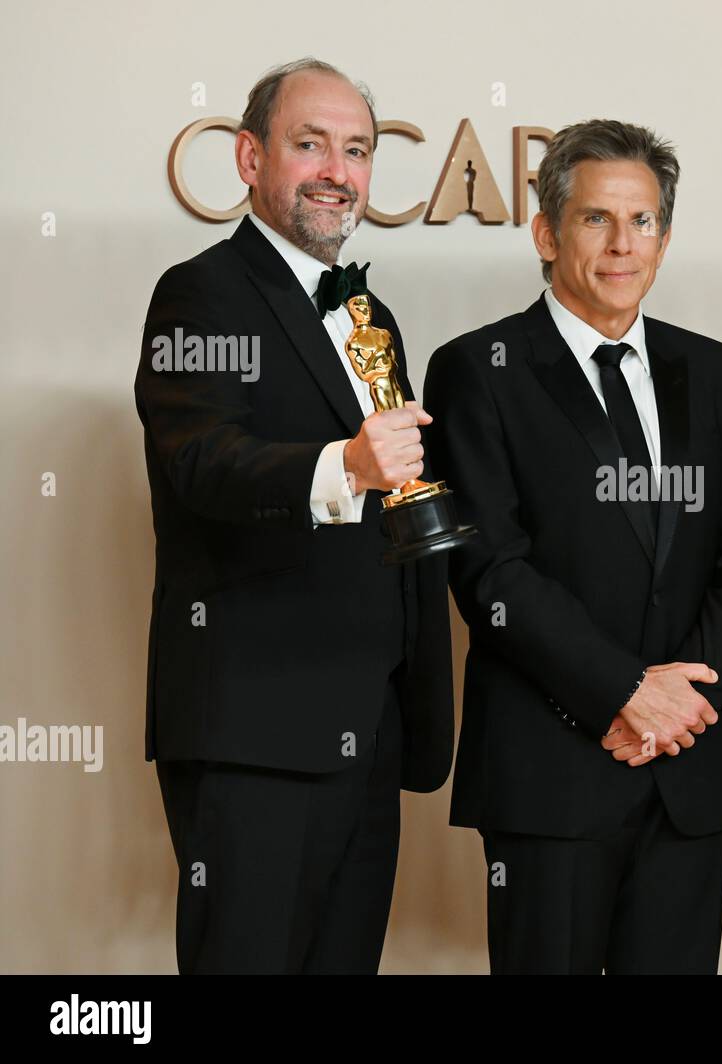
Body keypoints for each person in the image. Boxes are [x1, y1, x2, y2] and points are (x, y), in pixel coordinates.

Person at [424, 118, 722, 974]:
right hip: (552, 772)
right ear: (546, 233)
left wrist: (682, 711)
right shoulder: (480, 368)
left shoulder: (713, 368)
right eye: (595, 219)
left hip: (686, 773)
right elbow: (488, 569)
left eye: (643, 220)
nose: (624, 244)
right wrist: (624, 692)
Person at [135, 58, 454, 974]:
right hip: (254, 733)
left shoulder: (369, 313)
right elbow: (200, 461)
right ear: (248, 156)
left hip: (370, 727)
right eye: (309, 143)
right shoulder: (198, 293)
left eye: (355, 150)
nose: (336, 170)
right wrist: (345, 463)